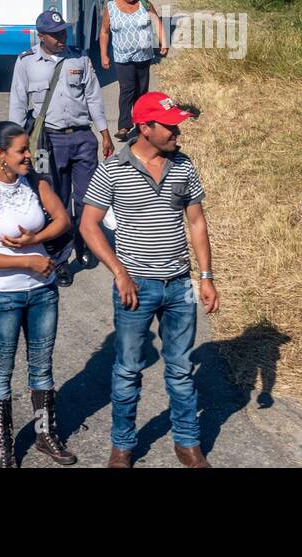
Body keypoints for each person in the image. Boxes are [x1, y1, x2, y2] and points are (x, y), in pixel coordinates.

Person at [79, 92, 219, 469]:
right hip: (136, 286)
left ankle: (188, 443)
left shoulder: (184, 166)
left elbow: (197, 222)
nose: (176, 131)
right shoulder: (113, 169)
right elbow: (88, 225)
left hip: (180, 284)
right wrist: (119, 273)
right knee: (127, 368)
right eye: (169, 125)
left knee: (180, 366)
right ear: (144, 127)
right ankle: (122, 446)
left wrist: (206, 277)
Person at [0, 118, 77, 468]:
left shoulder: (35, 183)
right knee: (1, 371)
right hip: (2, 297)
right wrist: (29, 261)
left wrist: (35, 240)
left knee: (42, 369)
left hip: (42, 294)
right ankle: (6, 450)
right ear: (1, 155)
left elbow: (63, 220)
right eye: (21, 151)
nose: (29, 155)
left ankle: (45, 436)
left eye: (27, 149)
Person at [8, 9, 113, 285]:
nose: (60, 38)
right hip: (50, 142)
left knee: (87, 198)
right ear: (40, 36)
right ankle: (61, 260)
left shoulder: (78, 57)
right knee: (58, 201)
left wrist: (104, 132)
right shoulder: (27, 62)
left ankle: (85, 243)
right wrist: (16, 146)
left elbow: (93, 96)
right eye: (54, 35)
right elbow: (18, 104)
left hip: (82, 138)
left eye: (63, 32)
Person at [99, 0, 167, 139]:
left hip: (143, 56)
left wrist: (163, 42)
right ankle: (124, 126)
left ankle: (141, 123)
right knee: (127, 90)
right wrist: (103, 55)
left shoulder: (144, 4)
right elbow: (104, 31)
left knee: (141, 92)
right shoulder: (111, 7)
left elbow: (157, 22)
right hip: (122, 57)